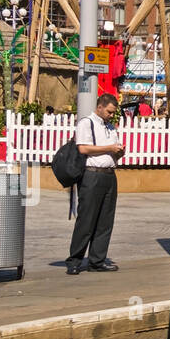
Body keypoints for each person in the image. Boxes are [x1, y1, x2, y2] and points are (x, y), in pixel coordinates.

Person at [65, 93, 125, 275]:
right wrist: (109, 148)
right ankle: (75, 260)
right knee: (87, 219)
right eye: (109, 111)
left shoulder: (110, 127)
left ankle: (97, 260)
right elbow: (83, 148)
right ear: (100, 107)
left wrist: (119, 152)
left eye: (113, 113)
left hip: (109, 174)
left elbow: (112, 150)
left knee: (105, 221)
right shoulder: (86, 123)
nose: (111, 115)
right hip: (92, 175)